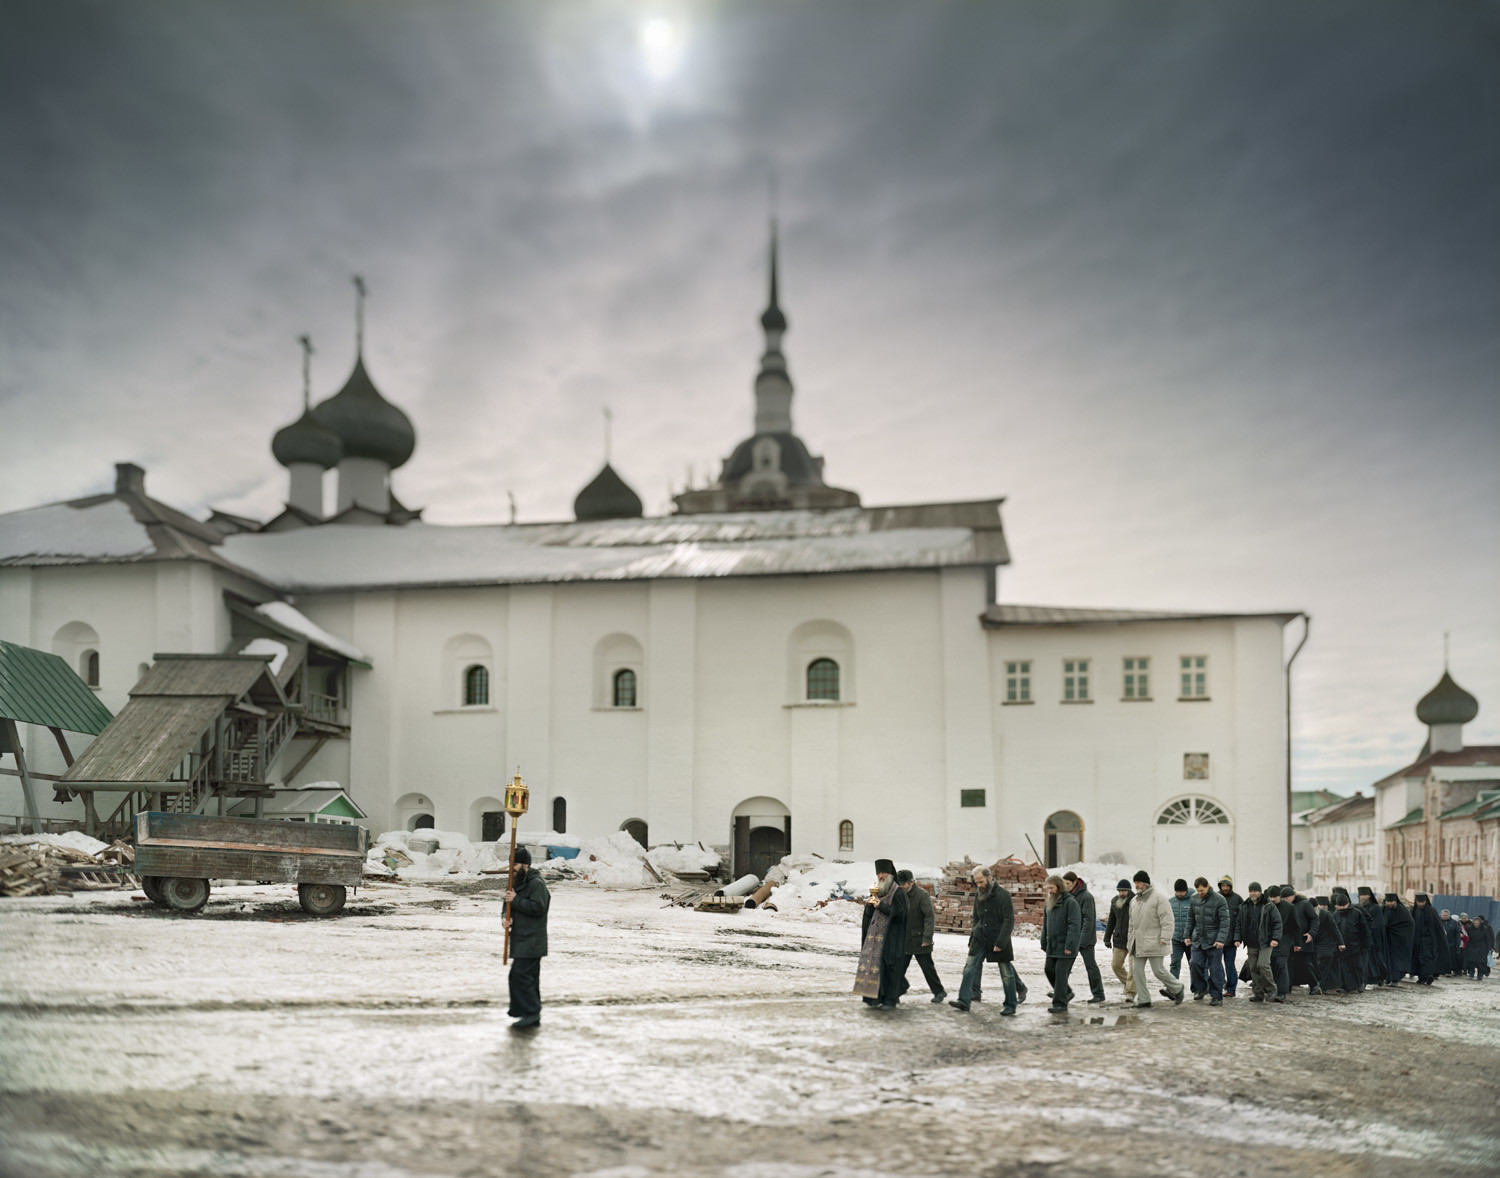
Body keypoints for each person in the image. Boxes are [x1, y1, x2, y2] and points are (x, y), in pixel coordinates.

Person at [951, 865, 1016, 1013]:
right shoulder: (978, 894)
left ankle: (1010, 1005)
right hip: (980, 938)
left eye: (981, 882)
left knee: (1007, 974)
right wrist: (972, 936)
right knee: (968, 968)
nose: (979, 885)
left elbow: (1009, 921)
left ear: (990, 877)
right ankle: (963, 1001)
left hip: (999, 938)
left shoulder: (1003, 895)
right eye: (977, 882)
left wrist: (1000, 942)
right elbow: (976, 918)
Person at [504, 846, 550, 1030]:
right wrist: (505, 917)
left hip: (532, 940)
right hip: (521, 938)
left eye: (514, 863)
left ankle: (531, 1013)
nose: (511, 868)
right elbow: (507, 900)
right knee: (526, 977)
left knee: (520, 976)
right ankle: (526, 1012)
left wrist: (515, 900)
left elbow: (539, 907)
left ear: (525, 864)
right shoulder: (517, 881)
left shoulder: (537, 884)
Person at [856, 859, 909, 1009]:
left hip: (893, 938)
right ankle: (875, 999)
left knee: (890, 969)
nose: (880, 876)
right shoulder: (877, 891)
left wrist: (882, 906)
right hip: (877, 938)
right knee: (877, 969)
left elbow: (902, 914)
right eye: (878, 873)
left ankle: (890, 1001)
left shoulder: (899, 893)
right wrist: (869, 907)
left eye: (883, 873)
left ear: (891, 874)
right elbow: (870, 915)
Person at [1126, 870, 1185, 1007]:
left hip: (1156, 941)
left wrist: (1165, 937)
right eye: (1135, 882)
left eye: (1139, 882)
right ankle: (1144, 999)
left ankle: (1177, 988)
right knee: (1137, 971)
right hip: (1138, 942)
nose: (1137, 885)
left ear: (1146, 883)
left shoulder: (1159, 898)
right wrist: (1130, 939)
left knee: (1158, 970)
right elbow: (1131, 923)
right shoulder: (1134, 901)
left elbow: (1168, 920)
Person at [896, 869, 946, 1003]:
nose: (901, 886)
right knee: (898, 968)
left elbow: (929, 917)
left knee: (928, 969)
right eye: (899, 883)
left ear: (911, 882)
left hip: (919, 939)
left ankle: (939, 992)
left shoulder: (922, 895)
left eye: (903, 884)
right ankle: (895, 994)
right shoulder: (899, 894)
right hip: (903, 939)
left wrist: (927, 938)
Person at [1063, 870, 1106, 1004]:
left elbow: (1089, 920)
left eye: (1068, 883)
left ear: (1075, 882)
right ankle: (1061, 991)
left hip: (1085, 940)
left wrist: (1082, 940)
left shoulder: (1086, 896)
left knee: (1090, 966)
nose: (1066, 886)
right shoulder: (1067, 896)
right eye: (1064, 883)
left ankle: (1098, 994)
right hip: (1071, 937)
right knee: (1064, 966)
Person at [1185, 875, 1229, 1005]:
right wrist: (1187, 935)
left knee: (1215, 969)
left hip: (1214, 940)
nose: (1199, 893)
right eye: (1197, 891)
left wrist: (1221, 939)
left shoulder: (1219, 900)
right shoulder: (1194, 899)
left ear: (1208, 887)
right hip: (1198, 938)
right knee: (1195, 963)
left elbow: (1225, 921)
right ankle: (1200, 989)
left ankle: (1216, 996)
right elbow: (1191, 919)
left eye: (1202, 891)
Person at [1041, 874, 1082, 1013]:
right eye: (1048, 888)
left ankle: (1060, 1004)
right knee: (1049, 970)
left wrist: (1069, 946)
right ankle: (1067, 992)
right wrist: (1043, 942)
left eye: (1052, 888)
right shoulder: (1049, 903)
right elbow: (1045, 925)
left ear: (1059, 887)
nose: (1049, 891)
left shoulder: (1071, 903)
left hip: (1066, 946)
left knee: (1060, 973)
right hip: (1052, 945)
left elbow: (1074, 926)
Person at [1236, 882, 1282, 1004]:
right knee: (1253, 968)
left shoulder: (1268, 906)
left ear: (1260, 892)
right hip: (1251, 942)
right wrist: (1237, 939)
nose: (1253, 893)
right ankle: (1258, 993)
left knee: (1263, 965)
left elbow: (1277, 923)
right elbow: (1239, 924)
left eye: (1255, 891)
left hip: (1265, 942)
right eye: (1251, 891)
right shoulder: (1244, 906)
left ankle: (1272, 990)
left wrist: (1275, 939)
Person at [1102, 879, 1136, 1003]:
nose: (1122, 893)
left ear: (1129, 890)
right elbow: (1111, 920)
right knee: (1115, 965)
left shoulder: (1135, 901)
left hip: (1133, 940)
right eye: (1120, 891)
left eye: (1124, 891)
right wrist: (1106, 937)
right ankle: (1129, 984)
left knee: (1133, 968)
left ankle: (1130, 993)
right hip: (1119, 939)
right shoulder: (1115, 902)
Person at [1411, 894, 1451, 984]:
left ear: (1426, 901)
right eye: (1419, 902)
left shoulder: (1431, 911)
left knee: (1428, 958)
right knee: (1419, 958)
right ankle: (1422, 977)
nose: (1421, 904)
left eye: (1423, 902)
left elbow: (1437, 927)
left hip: (1429, 940)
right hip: (1417, 940)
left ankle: (1428, 975)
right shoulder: (1414, 910)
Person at [1289, 888, 1321, 994]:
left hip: (1304, 939)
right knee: (1289, 964)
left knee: (1305, 964)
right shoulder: (1284, 905)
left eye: (1287, 897)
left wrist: (1311, 933)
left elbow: (1315, 919)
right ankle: (1287, 988)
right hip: (1289, 940)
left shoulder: (1305, 904)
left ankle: (1314, 985)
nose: (1285, 900)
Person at [1330, 894, 1363, 994]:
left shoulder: (1357, 913)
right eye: (1339, 906)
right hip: (1341, 946)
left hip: (1355, 945)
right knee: (1343, 967)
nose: (1341, 908)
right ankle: (1345, 986)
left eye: (1343, 905)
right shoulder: (1335, 915)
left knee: (1356, 966)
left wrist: (1364, 944)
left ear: (1348, 904)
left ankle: (1359, 984)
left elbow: (1363, 929)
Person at [1310, 896, 1344, 992]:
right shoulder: (1307, 914)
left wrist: (1341, 943)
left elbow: (1335, 929)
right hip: (1313, 944)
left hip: (1325, 944)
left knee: (1322, 965)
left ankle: (1318, 985)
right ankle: (1319, 985)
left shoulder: (1325, 914)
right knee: (1315, 965)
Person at [1217, 876, 1243, 998]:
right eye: (1223, 886)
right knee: (1215, 963)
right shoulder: (1215, 898)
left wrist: (1238, 938)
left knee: (1230, 964)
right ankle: (1221, 983)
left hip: (1232, 939)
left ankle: (1231, 989)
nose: (1225, 888)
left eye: (1227, 886)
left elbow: (1241, 921)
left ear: (1231, 887)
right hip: (1217, 938)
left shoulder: (1237, 899)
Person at [1271, 886, 1297, 1001]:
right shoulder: (1266, 906)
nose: (1272, 899)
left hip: (1284, 939)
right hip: (1269, 940)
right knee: (1270, 965)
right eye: (1270, 897)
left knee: (1281, 964)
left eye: (1275, 897)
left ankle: (1282, 992)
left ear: (1280, 896)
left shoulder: (1289, 907)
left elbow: (1295, 925)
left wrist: (1297, 943)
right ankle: (1272, 990)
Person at [1357, 886, 1388, 988]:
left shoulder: (1375, 908)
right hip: (1364, 938)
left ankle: (1381, 978)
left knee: (1377, 960)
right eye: (1361, 895)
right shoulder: (1359, 907)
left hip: (1375, 938)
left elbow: (1377, 924)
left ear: (1369, 896)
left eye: (1365, 895)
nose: (1363, 897)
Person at [1382, 893, 1414, 986]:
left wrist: (1397, 931)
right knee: (1386, 959)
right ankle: (1387, 978)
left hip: (1398, 941)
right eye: (1388, 901)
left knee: (1396, 961)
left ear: (1395, 901)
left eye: (1391, 901)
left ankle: (1395, 980)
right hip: (1387, 939)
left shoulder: (1402, 911)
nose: (1390, 904)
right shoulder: (1383, 909)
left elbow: (1409, 924)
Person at [1168, 879, 1192, 979]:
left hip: (1191, 940)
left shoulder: (1193, 900)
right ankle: (1173, 987)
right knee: (1174, 963)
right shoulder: (1171, 902)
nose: (1179, 894)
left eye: (1181, 892)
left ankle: (1197, 988)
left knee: (1195, 964)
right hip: (1176, 939)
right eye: (1177, 892)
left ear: (1186, 890)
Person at [1439, 909, 1462, 975]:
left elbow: (1457, 935)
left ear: (1449, 915)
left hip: (1451, 944)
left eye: (1446, 915)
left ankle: (1450, 970)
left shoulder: (1454, 923)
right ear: (1441, 915)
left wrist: (1457, 945)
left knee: (1451, 958)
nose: (1445, 916)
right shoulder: (1438, 922)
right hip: (1441, 944)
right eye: (1443, 915)